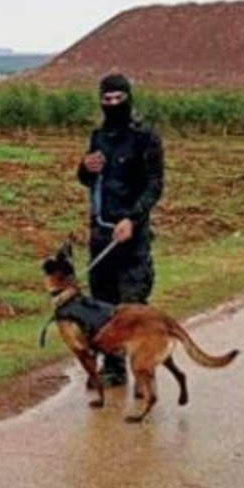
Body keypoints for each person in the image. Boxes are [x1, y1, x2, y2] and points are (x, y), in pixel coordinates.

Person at [76, 73, 165, 385]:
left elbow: (155, 185)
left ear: (128, 98)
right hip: (101, 233)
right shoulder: (98, 136)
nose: (112, 104)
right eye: (107, 99)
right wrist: (85, 168)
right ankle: (113, 368)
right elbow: (87, 179)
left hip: (131, 236)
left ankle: (144, 368)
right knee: (103, 305)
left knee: (132, 306)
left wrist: (133, 218)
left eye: (118, 98)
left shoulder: (145, 138)